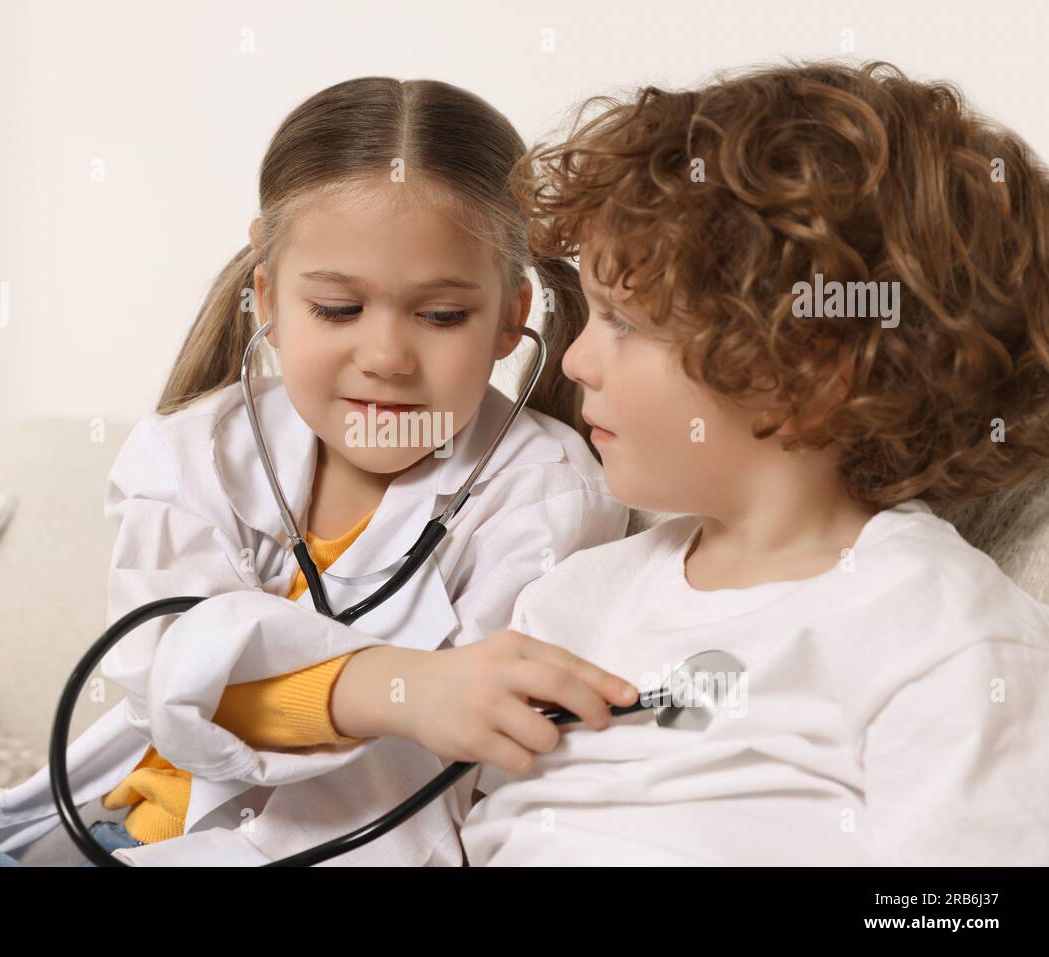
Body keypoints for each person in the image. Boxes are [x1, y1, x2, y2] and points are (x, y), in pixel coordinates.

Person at [0, 76, 628, 867]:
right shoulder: (199, 449)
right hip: (108, 840)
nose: (387, 354)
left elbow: (442, 779)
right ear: (268, 299)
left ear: (513, 316)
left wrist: (396, 699)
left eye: (441, 314)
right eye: (337, 307)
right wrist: (400, 688)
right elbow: (172, 678)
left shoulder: (543, 496)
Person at [328, 60, 1049, 865]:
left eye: (623, 323)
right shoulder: (570, 605)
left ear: (809, 367)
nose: (576, 363)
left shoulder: (940, 631)